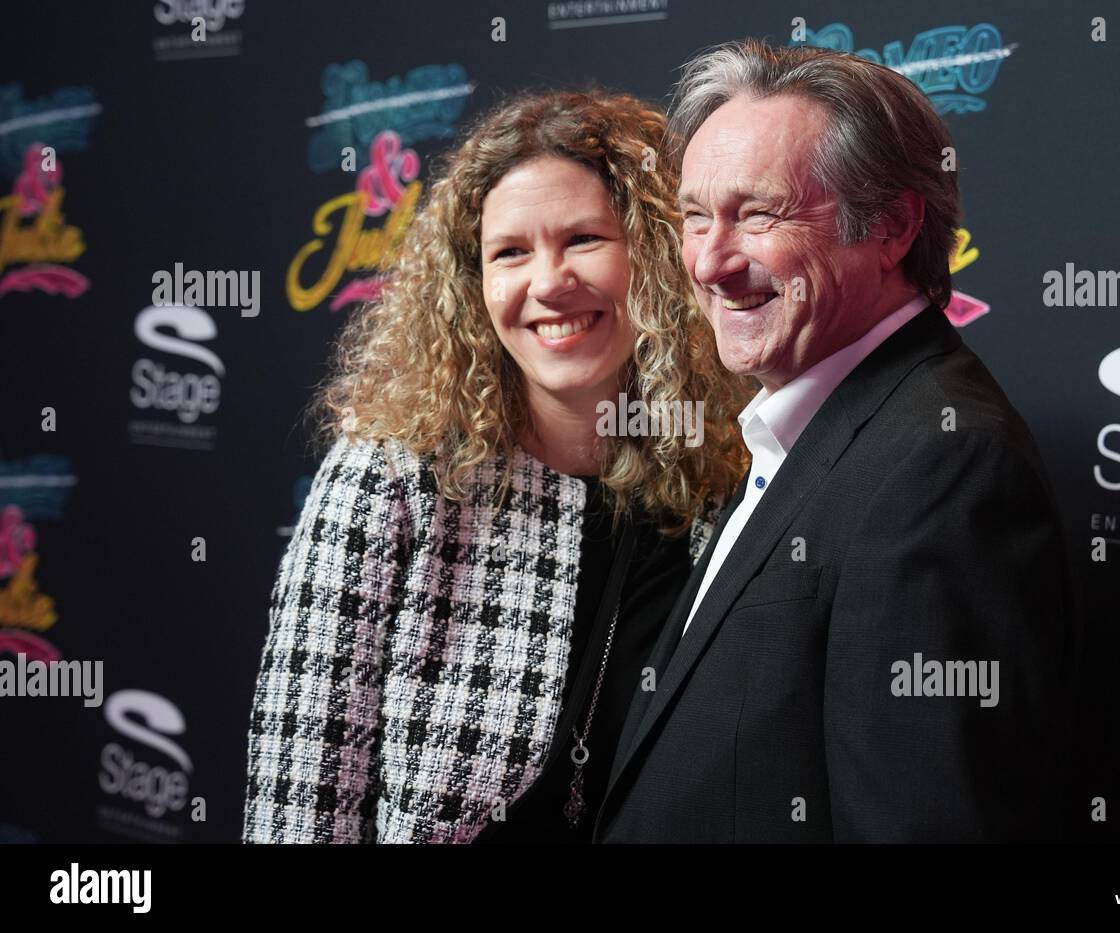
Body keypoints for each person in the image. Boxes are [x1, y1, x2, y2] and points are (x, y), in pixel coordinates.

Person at [595, 40, 1079, 843]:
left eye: (757, 213)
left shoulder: (945, 466)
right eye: (693, 216)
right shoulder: (802, 425)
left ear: (891, 227)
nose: (710, 261)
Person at [242, 89, 747, 843]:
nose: (548, 283)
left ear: (654, 253)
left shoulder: (718, 481)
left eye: (583, 239)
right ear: (472, 286)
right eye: (510, 252)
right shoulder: (391, 479)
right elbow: (300, 795)